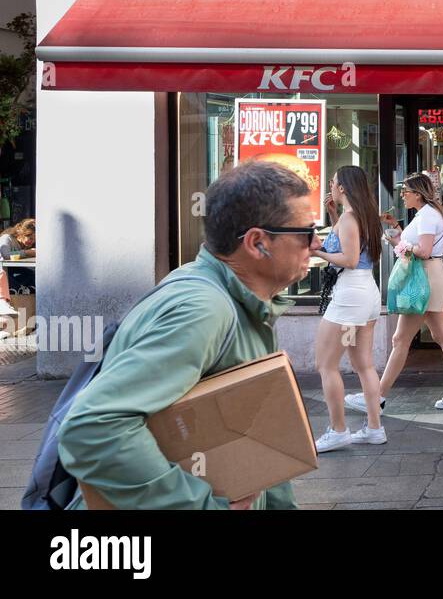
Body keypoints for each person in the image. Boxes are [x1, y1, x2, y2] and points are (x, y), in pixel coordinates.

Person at [57, 162, 315, 508]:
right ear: (257, 243)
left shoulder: (245, 304)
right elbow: (92, 428)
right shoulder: (204, 310)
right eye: (306, 233)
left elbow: (260, 450)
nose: (315, 245)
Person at [345, 172, 443, 414]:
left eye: (405, 191)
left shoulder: (426, 216)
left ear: (418, 194)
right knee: (441, 335)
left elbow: (423, 251)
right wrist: (396, 227)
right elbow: (418, 245)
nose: (402, 195)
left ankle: (376, 398)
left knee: (400, 339)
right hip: (430, 274)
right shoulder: (428, 214)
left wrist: (399, 244)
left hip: (423, 276)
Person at [313, 166, 387, 453]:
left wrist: (316, 253)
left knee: (326, 365)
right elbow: (351, 248)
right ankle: (373, 428)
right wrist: (333, 215)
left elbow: (350, 258)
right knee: (363, 364)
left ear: (342, 187)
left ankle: (338, 430)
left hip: (349, 297)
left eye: (332, 183)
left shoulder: (349, 218)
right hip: (366, 294)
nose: (330, 187)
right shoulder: (363, 215)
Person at [0, 217, 35, 317]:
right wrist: (27, 252)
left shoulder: (22, 244)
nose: (31, 242)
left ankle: (29, 311)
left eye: (34, 240)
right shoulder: (7, 238)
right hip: (3, 273)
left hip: (10, 271)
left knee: (31, 276)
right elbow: (5, 254)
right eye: (30, 237)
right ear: (21, 233)